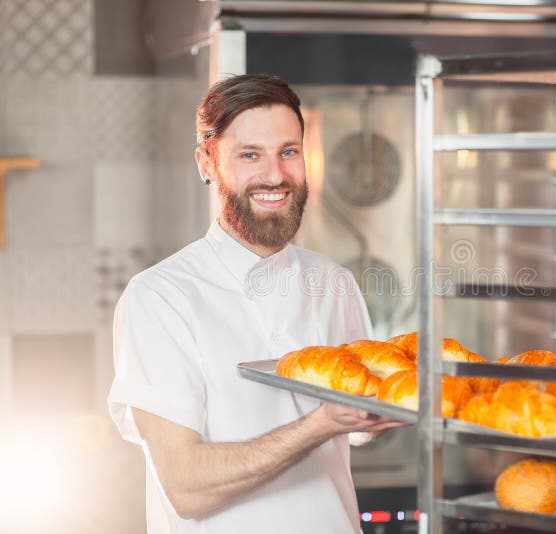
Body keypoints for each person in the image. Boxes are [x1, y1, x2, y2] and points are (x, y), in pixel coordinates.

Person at [108, 74, 402, 534]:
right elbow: (185, 488)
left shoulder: (334, 282)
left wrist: (390, 405)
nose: (275, 175)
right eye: (250, 155)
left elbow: (360, 421)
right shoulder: (160, 297)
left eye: (289, 152)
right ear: (207, 162)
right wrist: (320, 425)